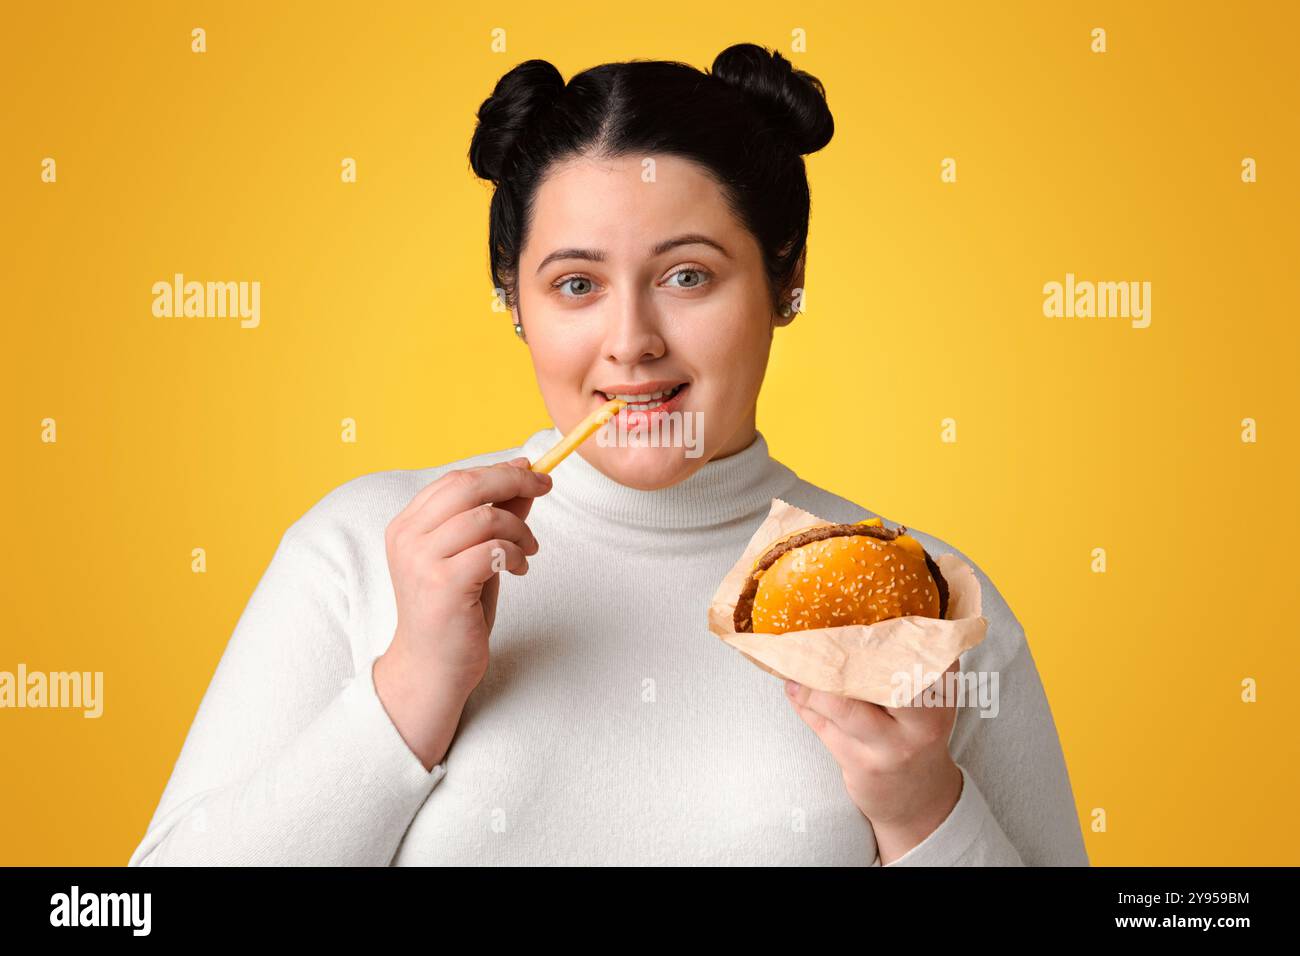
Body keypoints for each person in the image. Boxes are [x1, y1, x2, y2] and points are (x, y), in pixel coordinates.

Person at [128, 43, 1088, 866]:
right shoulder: (366, 547)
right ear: (515, 301)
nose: (631, 341)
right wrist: (408, 687)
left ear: (785, 277)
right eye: (577, 284)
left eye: (686, 275)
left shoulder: (915, 596)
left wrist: (926, 812)